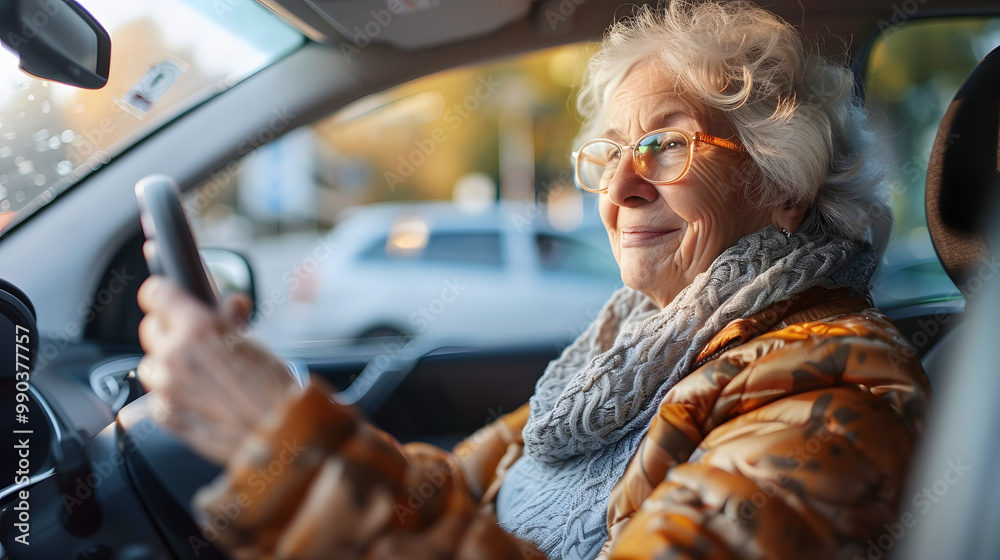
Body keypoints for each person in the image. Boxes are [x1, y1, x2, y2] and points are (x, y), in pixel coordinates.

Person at [136, 1, 930, 558]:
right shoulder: (626, 352)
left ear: (783, 186)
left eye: (664, 147)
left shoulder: (832, 405)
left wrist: (282, 444)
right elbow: (448, 487)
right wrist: (276, 441)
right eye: (610, 155)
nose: (619, 192)